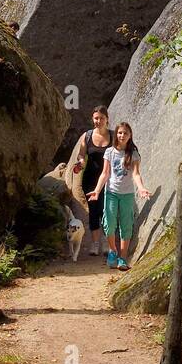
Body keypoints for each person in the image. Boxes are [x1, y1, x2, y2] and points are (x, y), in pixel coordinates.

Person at [87, 122, 149, 271]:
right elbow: (105, 173)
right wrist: (96, 190)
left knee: (126, 226)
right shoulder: (109, 152)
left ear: (130, 136)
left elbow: (135, 174)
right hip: (111, 193)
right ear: (116, 134)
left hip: (127, 194)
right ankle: (113, 251)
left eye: (125, 133)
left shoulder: (133, 153)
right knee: (109, 225)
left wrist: (141, 188)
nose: (122, 136)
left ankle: (122, 257)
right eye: (120, 133)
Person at [70, 106, 113, 255]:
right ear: (92, 119)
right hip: (90, 180)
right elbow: (81, 155)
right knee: (94, 212)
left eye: (101, 118)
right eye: (96, 118)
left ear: (107, 119)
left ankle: (106, 242)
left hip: (108, 180)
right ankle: (95, 244)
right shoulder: (87, 136)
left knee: (107, 211)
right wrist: (80, 163)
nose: (98, 121)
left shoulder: (113, 137)